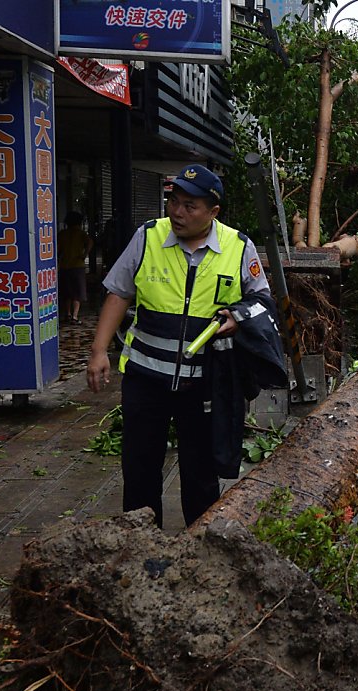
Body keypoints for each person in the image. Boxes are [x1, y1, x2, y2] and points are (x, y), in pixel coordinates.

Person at [86, 164, 283, 529]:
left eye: (190, 206)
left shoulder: (239, 247)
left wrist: (237, 318)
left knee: (201, 474)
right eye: (174, 201)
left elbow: (262, 302)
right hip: (146, 380)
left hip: (204, 385)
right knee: (140, 470)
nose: (177, 212)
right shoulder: (148, 236)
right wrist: (99, 351)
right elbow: (118, 293)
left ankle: (198, 545)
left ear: (213, 212)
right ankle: (141, 544)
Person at [58, 211, 94, 324]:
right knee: (77, 293)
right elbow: (90, 243)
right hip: (78, 266)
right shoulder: (81, 234)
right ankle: (75, 316)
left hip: (64, 266)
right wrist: (84, 254)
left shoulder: (62, 234)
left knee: (67, 292)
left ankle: (67, 314)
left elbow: (57, 248)